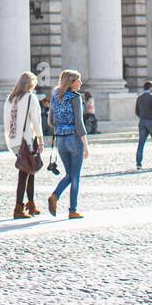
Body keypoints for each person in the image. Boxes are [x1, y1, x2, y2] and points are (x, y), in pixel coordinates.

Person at [47, 69, 88, 219]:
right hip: (74, 139)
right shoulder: (75, 98)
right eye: (78, 80)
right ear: (71, 83)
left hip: (60, 139)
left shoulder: (55, 97)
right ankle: (72, 210)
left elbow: (51, 121)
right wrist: (86, 144)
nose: (81, 83)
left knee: (69, 174)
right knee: (75, 176)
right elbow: (79, 123)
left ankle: (55, 196)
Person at [3, 70, 44, 218]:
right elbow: (36, 120)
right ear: (31, 84)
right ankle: (18, 208)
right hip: (27, 140)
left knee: (30, 171)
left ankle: (31, 204)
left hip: (14, 140)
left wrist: (11, 140)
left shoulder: (10, 99)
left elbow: (6, 123)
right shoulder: (30, 98)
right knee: (25, 174)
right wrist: (40, 138)